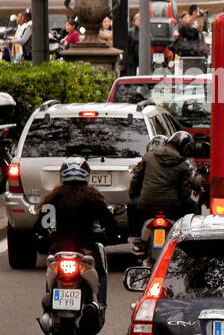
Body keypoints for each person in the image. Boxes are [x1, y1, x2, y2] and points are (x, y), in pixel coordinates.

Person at [36, 158, 117, 309]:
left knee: (50, 274)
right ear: (87, 175)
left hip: (58, 249)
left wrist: (48, 236)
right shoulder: (94, 199)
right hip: (86, 249)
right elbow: (110, 224)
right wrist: (110, 234)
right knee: (101, 273)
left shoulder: (52, 199)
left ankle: (50, 300)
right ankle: (100, 304)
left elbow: (40, 227)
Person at [128, 130, 200, 239]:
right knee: (194, 207)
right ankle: (189, 238)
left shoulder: (149, 157)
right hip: (172, 208)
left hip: (147, 204)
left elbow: (136, 181)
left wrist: (134, 196)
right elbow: (184, 194)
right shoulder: (183, 165)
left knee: (131, 205)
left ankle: (137, 237)